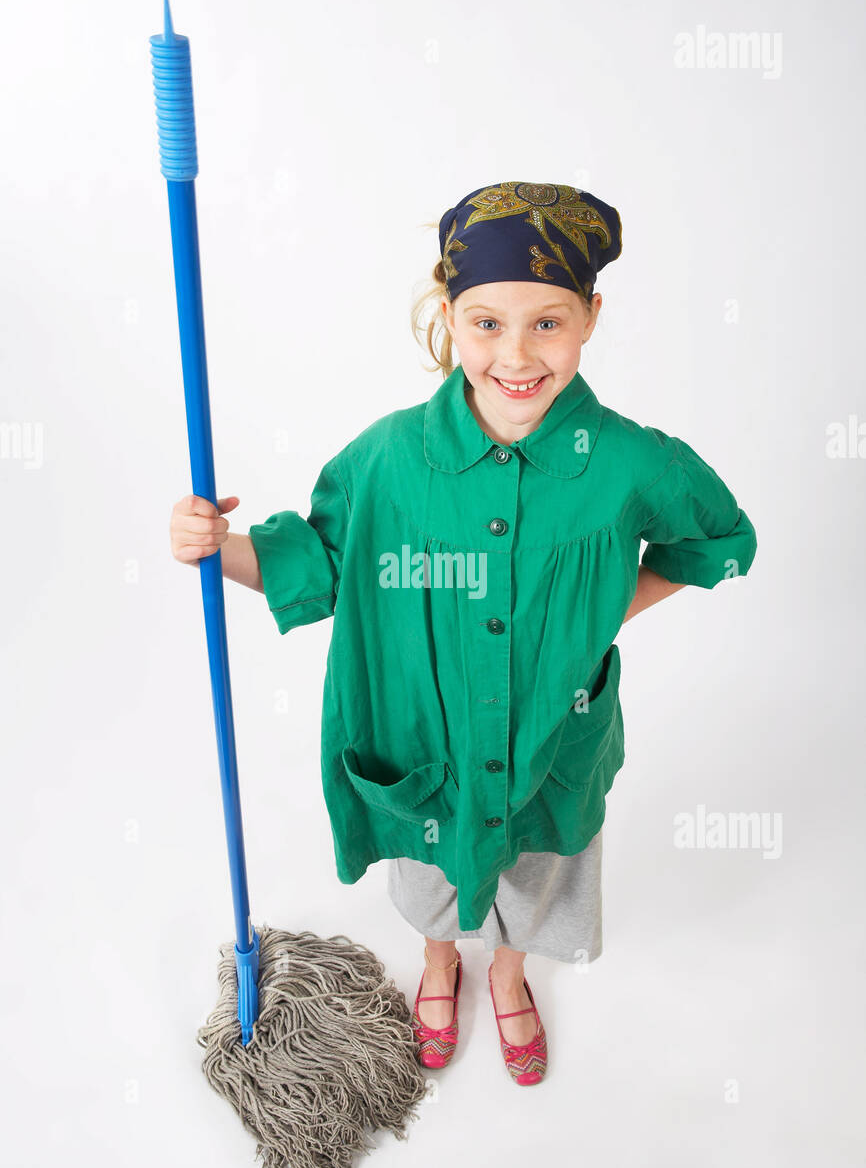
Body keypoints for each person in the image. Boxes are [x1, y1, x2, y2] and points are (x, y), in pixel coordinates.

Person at [169, 180, 757, 1088]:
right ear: (449, 315)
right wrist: (221, 549)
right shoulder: (389, 458)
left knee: (536, 869)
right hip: (424, 743)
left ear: (591, 317)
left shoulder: (631, 461)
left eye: (547, 323)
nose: (516, 354)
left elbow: (720, 540)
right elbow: (320, 564)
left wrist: (613, 606)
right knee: (433, 875)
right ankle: (443, 960)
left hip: (553, 740)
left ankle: (512, 972)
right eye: (485, 323)